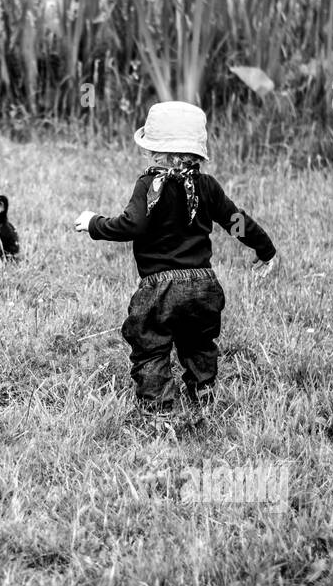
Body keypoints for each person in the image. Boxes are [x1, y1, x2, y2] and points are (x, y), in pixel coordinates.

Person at [73, 101, 278, 418]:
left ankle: (159, 413)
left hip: (160, 289)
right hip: (203, 285)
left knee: (151, 347)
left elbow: (132, 225)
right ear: (197, 153)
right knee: (199, 346)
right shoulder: (207, 187)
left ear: (155, 152)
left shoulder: (150, 184)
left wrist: (93, 223)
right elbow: (235, 221)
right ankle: (203, 404)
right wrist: (264, 249)